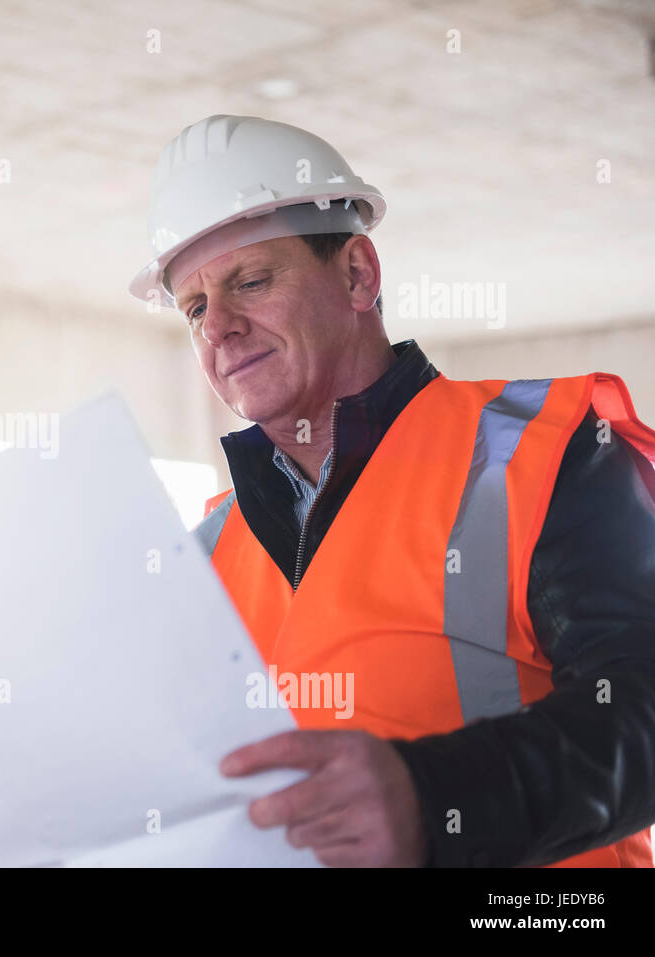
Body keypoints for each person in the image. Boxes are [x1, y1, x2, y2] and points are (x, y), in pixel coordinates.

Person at [128, 114, 655, 866]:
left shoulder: (545, 450)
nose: (221, 328)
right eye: (195, 308)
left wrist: (434, 799)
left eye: (250, 281)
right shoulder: (207, 551)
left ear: (356, 275)